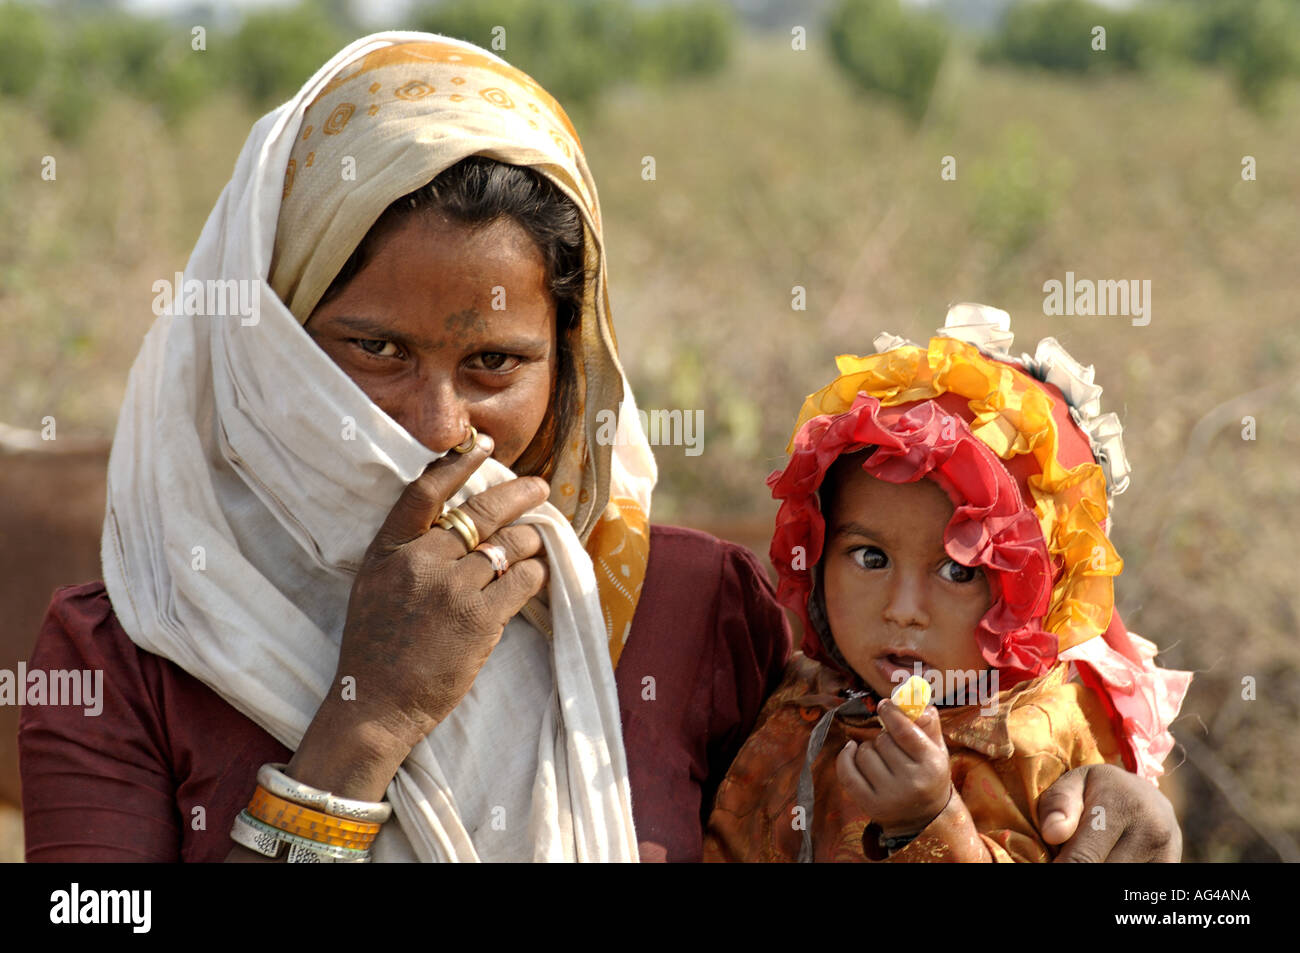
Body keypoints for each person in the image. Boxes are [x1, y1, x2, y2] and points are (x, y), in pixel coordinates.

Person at [19, 35, 1182, 862]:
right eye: (370, 348)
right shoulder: (124, 650)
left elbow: (929, 754)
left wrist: (1114, 815)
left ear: (569, 366)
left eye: (494, 366)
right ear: (264, 337)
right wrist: (367, 718)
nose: (434, 427)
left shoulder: (685, 604)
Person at [704, 305, 1193, 862]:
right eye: (869, 557)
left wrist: (927, 822)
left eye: (960, 571)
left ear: (1038, 593)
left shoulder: (1040, 742)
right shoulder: (800, 694)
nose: (904, 610)